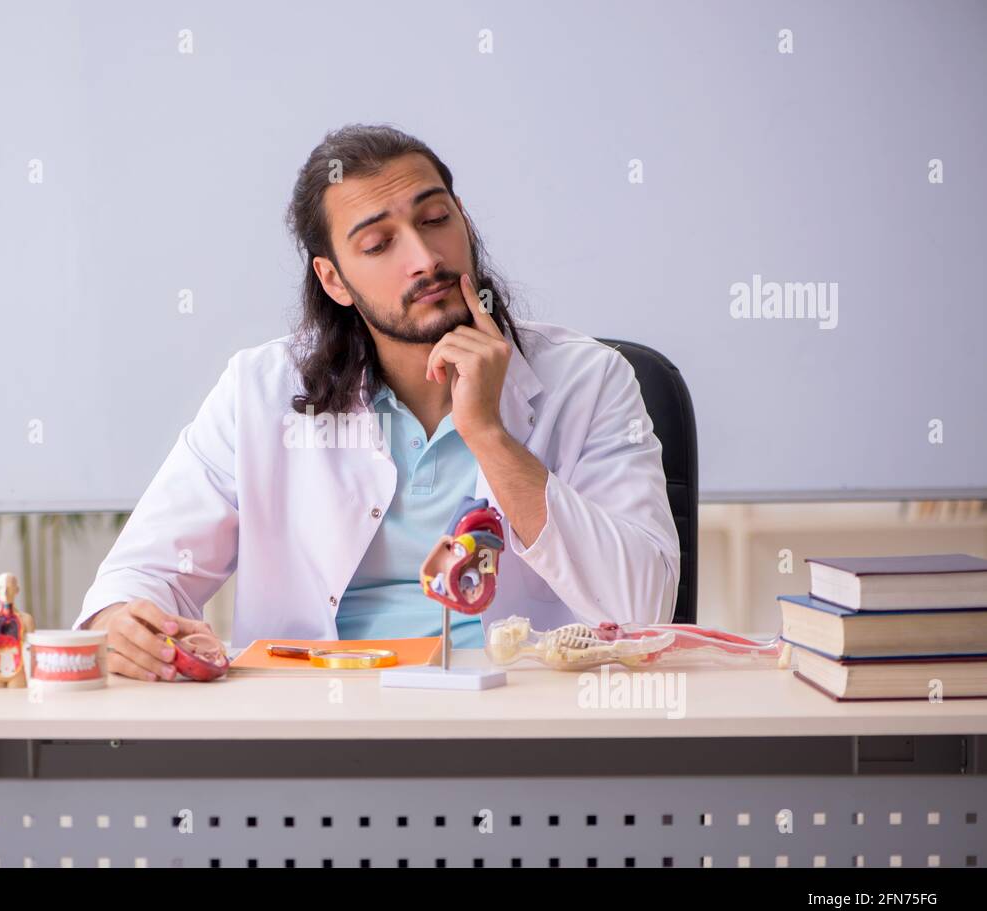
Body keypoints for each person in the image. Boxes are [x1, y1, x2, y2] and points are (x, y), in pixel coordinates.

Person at [76, 124, 680, 682]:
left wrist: (490, 436)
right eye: (378, 244)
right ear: (334, 280)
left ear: (463, 219)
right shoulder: (258, 392)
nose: (424, 258)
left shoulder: (591, 379)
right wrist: (125, 625)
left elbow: (642, 606)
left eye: (436, 217)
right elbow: (140, 575)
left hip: (520, 726)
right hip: (315, 735)